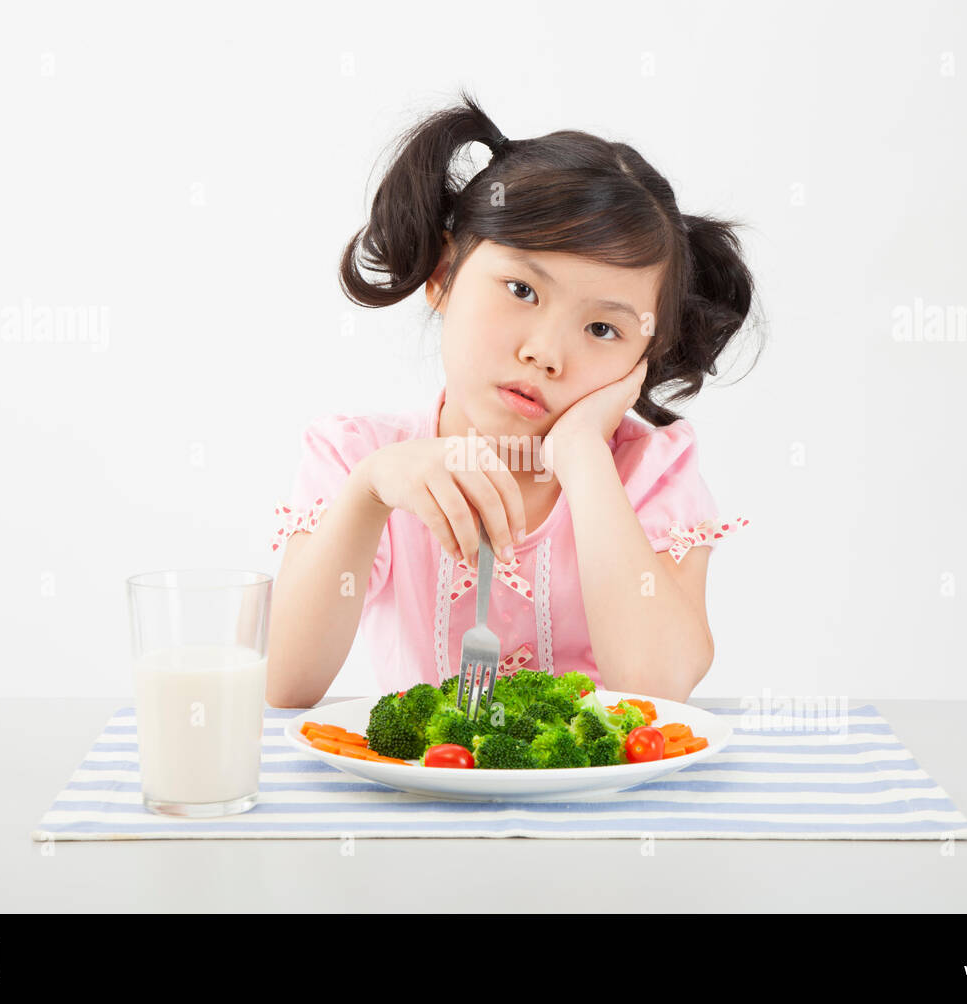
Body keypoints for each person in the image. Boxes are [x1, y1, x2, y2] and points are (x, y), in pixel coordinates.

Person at [267, 90, 761, 708]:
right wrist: (368, 494)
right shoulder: (359, 458)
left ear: (643, 358)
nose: (547, 352)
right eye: (522, 290)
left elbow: (659, 687)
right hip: (430, 792)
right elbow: (285, 681)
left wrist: (582, 454)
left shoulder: (652, 473)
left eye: (603, 329)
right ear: (443, 278)